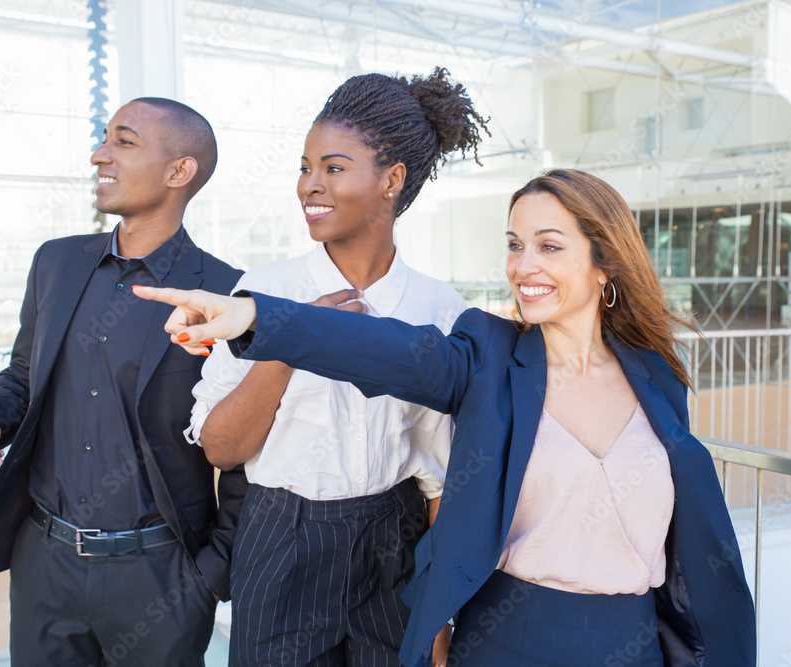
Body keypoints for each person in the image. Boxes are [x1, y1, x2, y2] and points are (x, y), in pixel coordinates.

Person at [134, 169, 757, 666]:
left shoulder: (656, 374)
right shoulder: (487, 356)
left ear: (605, 263)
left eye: (549, 246)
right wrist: (255, 318)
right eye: (514, 245)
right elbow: (388, 350)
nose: (524, 267)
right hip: (509, 637)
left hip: (632, 639)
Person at [186, 68, 488, 667]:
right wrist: (294, 337)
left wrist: (438, 610)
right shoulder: (264, 291)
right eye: (304, 168)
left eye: (333, 167)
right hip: (283, 539)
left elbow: (442, 476)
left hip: (396, 542)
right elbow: (221, 448)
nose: (310, 186)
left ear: (392, 180)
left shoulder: (439, 310)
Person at [0, 97, 247, 666]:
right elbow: (23, 374)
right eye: (105, 137)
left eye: (123, 141)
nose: (98, 154)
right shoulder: (55, 264)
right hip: (44, 564)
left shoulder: (225, 292)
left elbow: (240, 448)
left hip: (162, 578)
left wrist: (211, 575)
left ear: (179, 171)